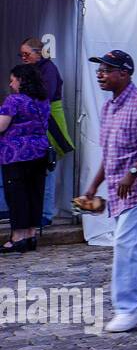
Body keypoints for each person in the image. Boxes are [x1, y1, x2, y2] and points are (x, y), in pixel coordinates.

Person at [76, 51, 137, 333]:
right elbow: (110, 154)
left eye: (107, 70)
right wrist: (94, 184)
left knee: (125, 244)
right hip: (121, 188)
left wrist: (134, 172)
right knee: (134, 247)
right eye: (99, 70)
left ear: (125, 73)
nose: (100, 74)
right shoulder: (109, 108)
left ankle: (127, 308)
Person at [19, 37, 71, 226]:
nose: (23, 57)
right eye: (21, 54)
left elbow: (44, 96)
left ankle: (46, 214)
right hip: (38, 119)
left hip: (49, 120)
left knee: (47, 167)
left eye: (26, 54)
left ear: (38, 52)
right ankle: (37, 212)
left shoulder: (48, 69)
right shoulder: (33, 69)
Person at [0, 63, 50, 252]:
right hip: (39, 153)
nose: (11, 85)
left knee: (17, 195)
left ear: (21, 80)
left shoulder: (14, 101)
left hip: (15, 155)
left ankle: (18, 237)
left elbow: (1, 126)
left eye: (12, 80)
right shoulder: (42, 100)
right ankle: (30, 235)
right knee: (34, 194)